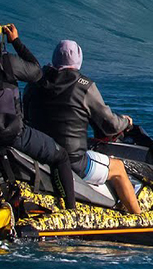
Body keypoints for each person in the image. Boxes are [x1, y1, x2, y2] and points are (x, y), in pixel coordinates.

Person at [0, 15, 76, 209]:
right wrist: (16, 41)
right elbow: (37, 72)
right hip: (12, 135)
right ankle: (71, 209)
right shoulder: (5, 61)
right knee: (61, 156)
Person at [24, 40, 141, 214]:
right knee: (118, 169)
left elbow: (25, 116)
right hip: (74, 162)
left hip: (39, 154)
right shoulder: (84, 86)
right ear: (79, 59)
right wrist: (125, 122)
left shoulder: (34, 84)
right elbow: (110, 125)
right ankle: (139, 218)